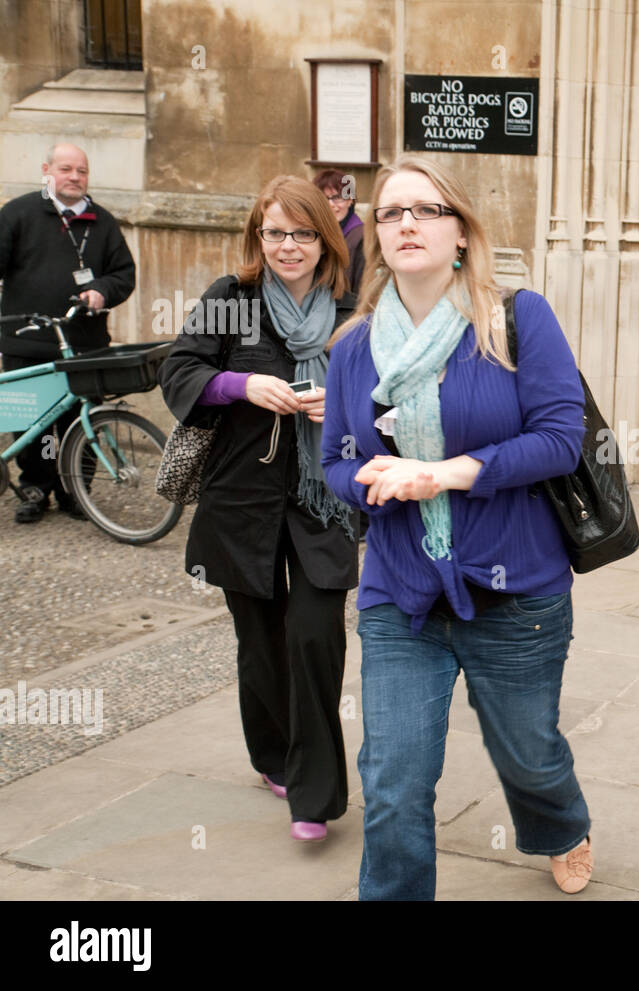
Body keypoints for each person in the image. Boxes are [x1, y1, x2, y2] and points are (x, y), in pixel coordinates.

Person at [320, 154, 593, 899]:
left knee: (529, 754)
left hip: (516, 588)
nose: (405, 223)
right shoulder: (352, 348)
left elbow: (559, 437)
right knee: (394, 778)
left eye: (425, 210)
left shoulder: (515, 318)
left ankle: (562, 824)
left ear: (462, 233)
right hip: (401, 592)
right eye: (389, 213)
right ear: (375, 237)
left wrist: (442, 473)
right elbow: (335, 461)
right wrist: (368, 479)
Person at [158, 176, 359, 842]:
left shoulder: (354, 303)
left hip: (321, 496)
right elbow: (179, 369)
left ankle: (315, 793)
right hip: (242, 498)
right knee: (261, 642)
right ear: (257, 234)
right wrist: (244, 383)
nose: (287, 246)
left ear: (323, 235)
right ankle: (274, 755)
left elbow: (394, 386)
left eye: (302, 232)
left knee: (315, 631)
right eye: (274, 232)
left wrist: (352, 410)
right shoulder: (233, 300)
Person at [0, 143, 136, 523]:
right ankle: (35, 489)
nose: (75, 177)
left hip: (84, 344)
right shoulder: (17, 213)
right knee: (36, 426)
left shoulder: (102, 222)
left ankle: (77, 491)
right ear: (47, 171)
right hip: (27, 341)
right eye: (66, 169)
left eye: (82, 170)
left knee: (81, 419)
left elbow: (124, 274)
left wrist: (102, 291)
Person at [313, 169, 365, 295]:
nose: (330, 204)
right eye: (324, 199)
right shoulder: (313, 235)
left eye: (337, 197)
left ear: (350, 200)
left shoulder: (361, 238)